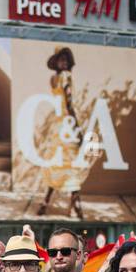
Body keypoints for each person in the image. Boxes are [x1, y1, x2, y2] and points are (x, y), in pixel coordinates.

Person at [36, 46, 86, 220]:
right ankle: (74, 208)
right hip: (67, 124)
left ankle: (46, 203)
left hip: (57, 126)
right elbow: (69, 101)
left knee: (56, 164)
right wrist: (77, 127)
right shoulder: (66, 77)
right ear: (56, 62)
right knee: (71, 165)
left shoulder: (53, 78)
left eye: (65, 59)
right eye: (61, 59)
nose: (63, 62)